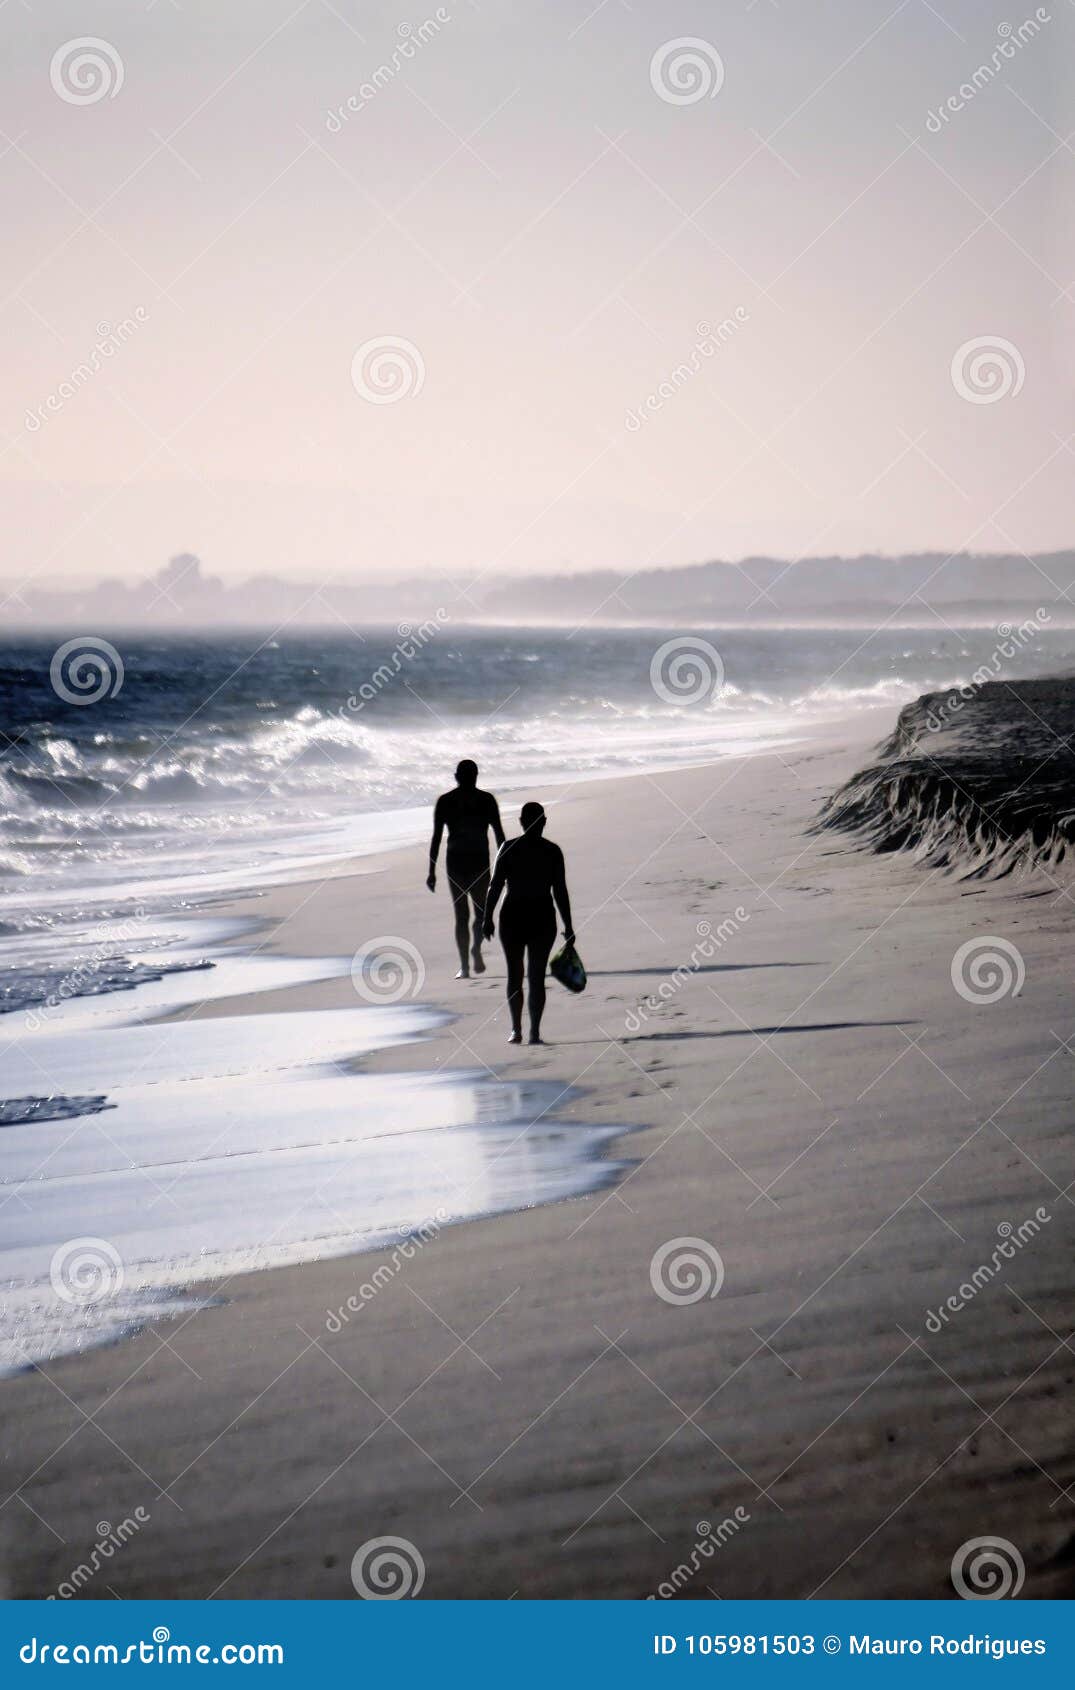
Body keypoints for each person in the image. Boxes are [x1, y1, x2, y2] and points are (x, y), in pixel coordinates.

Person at [482, 801, 574, 1045]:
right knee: (536, 976)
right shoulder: (552, 851)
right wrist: (568, 926)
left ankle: (516, 1030)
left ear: (521, 822)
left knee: (515, 975)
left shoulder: (509, 848)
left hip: (512, 916)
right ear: (544, 822)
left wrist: (487, 918)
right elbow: (560, 892)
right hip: (542, 917)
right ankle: (533, 1032)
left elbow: (495, 885)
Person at [427, 760, 505, 978]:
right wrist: (505, 865)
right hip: (474, 863)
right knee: (479, 914)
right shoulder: (486, 800)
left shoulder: (446, 801)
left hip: (459, 865)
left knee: (463, 916)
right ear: (476, 776)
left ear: (456, 777)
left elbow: (436, 839)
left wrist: (432, 871)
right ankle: (471, 955)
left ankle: (466, 964)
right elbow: (499, 835)